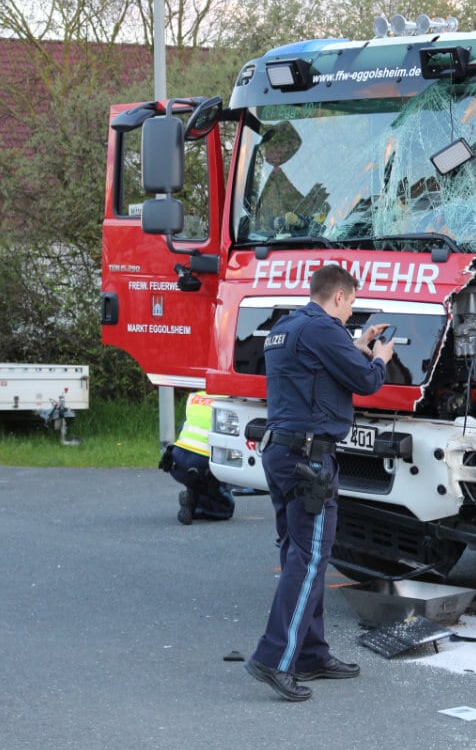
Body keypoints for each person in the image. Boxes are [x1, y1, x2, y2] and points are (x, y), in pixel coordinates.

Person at [245, 265, 394, 702]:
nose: (349, 314)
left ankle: (310, 654)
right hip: (308, 459)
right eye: (350, 305)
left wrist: (354, 346)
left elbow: (315, 372)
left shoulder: (286, 327)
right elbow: (365, 382)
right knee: (309, 559)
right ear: (339, 297)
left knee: (297, 551)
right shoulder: (325, 329)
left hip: (281, 452)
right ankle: (274, 658)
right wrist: (379, 357)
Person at [158, 391, 235, 525]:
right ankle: (197, 507)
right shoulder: (231, 401)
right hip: (202, 464)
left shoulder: (195, 397)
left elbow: (181, 429)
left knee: (197, 481)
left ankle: (191, 499)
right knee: (226, 508)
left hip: (176, 461)